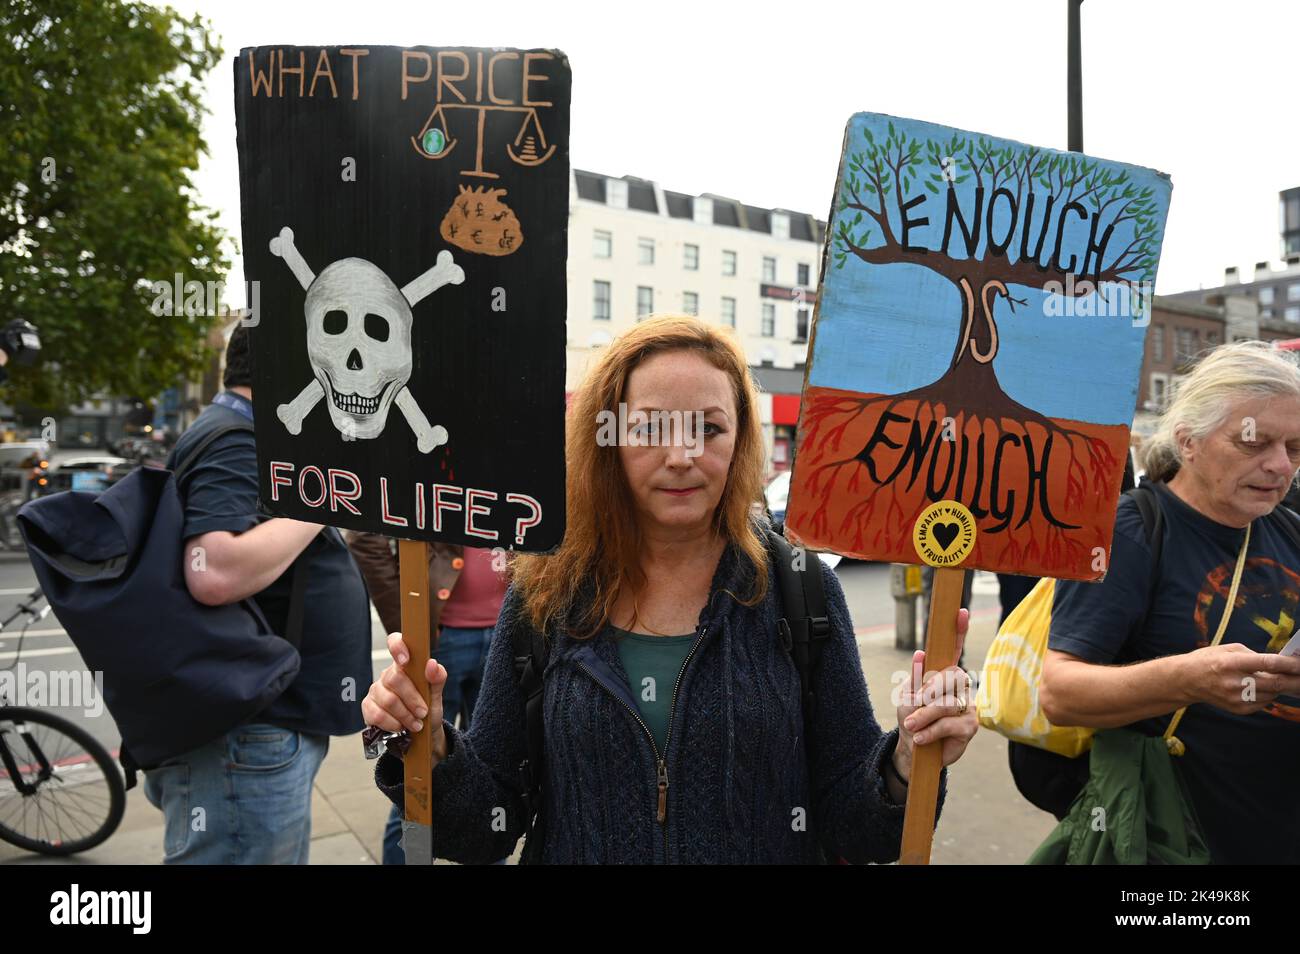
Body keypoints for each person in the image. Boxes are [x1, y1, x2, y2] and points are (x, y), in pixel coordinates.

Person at [363, 315, 978, 864]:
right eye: (651, 427)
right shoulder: (547, 591)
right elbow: (484, 831)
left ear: (740, 440)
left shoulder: (801, 587)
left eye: (709, 428)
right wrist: (431, 748)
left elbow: (857, 828)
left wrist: (906, 761)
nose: (682, 455)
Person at [1042, 341, 1300, 863]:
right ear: (1188, 441)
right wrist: (1189, 678)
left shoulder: (1290, 531)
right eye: (1254, 442)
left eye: (1296, 447)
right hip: (1172, 837)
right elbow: (1060, 692)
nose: (1279, 465)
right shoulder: (1132, 532)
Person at [143, 324, 374, 864]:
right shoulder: (237, 439)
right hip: (251, 733)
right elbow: (213, 569)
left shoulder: (237, 432)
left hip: (258, 726)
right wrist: (326, 500)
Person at [347, 532, 508, 864]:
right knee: (417, 778)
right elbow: (366, 538)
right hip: (440, 641)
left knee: (495, 778)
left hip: (508, 635)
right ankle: (408, 857)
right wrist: (411, 622)